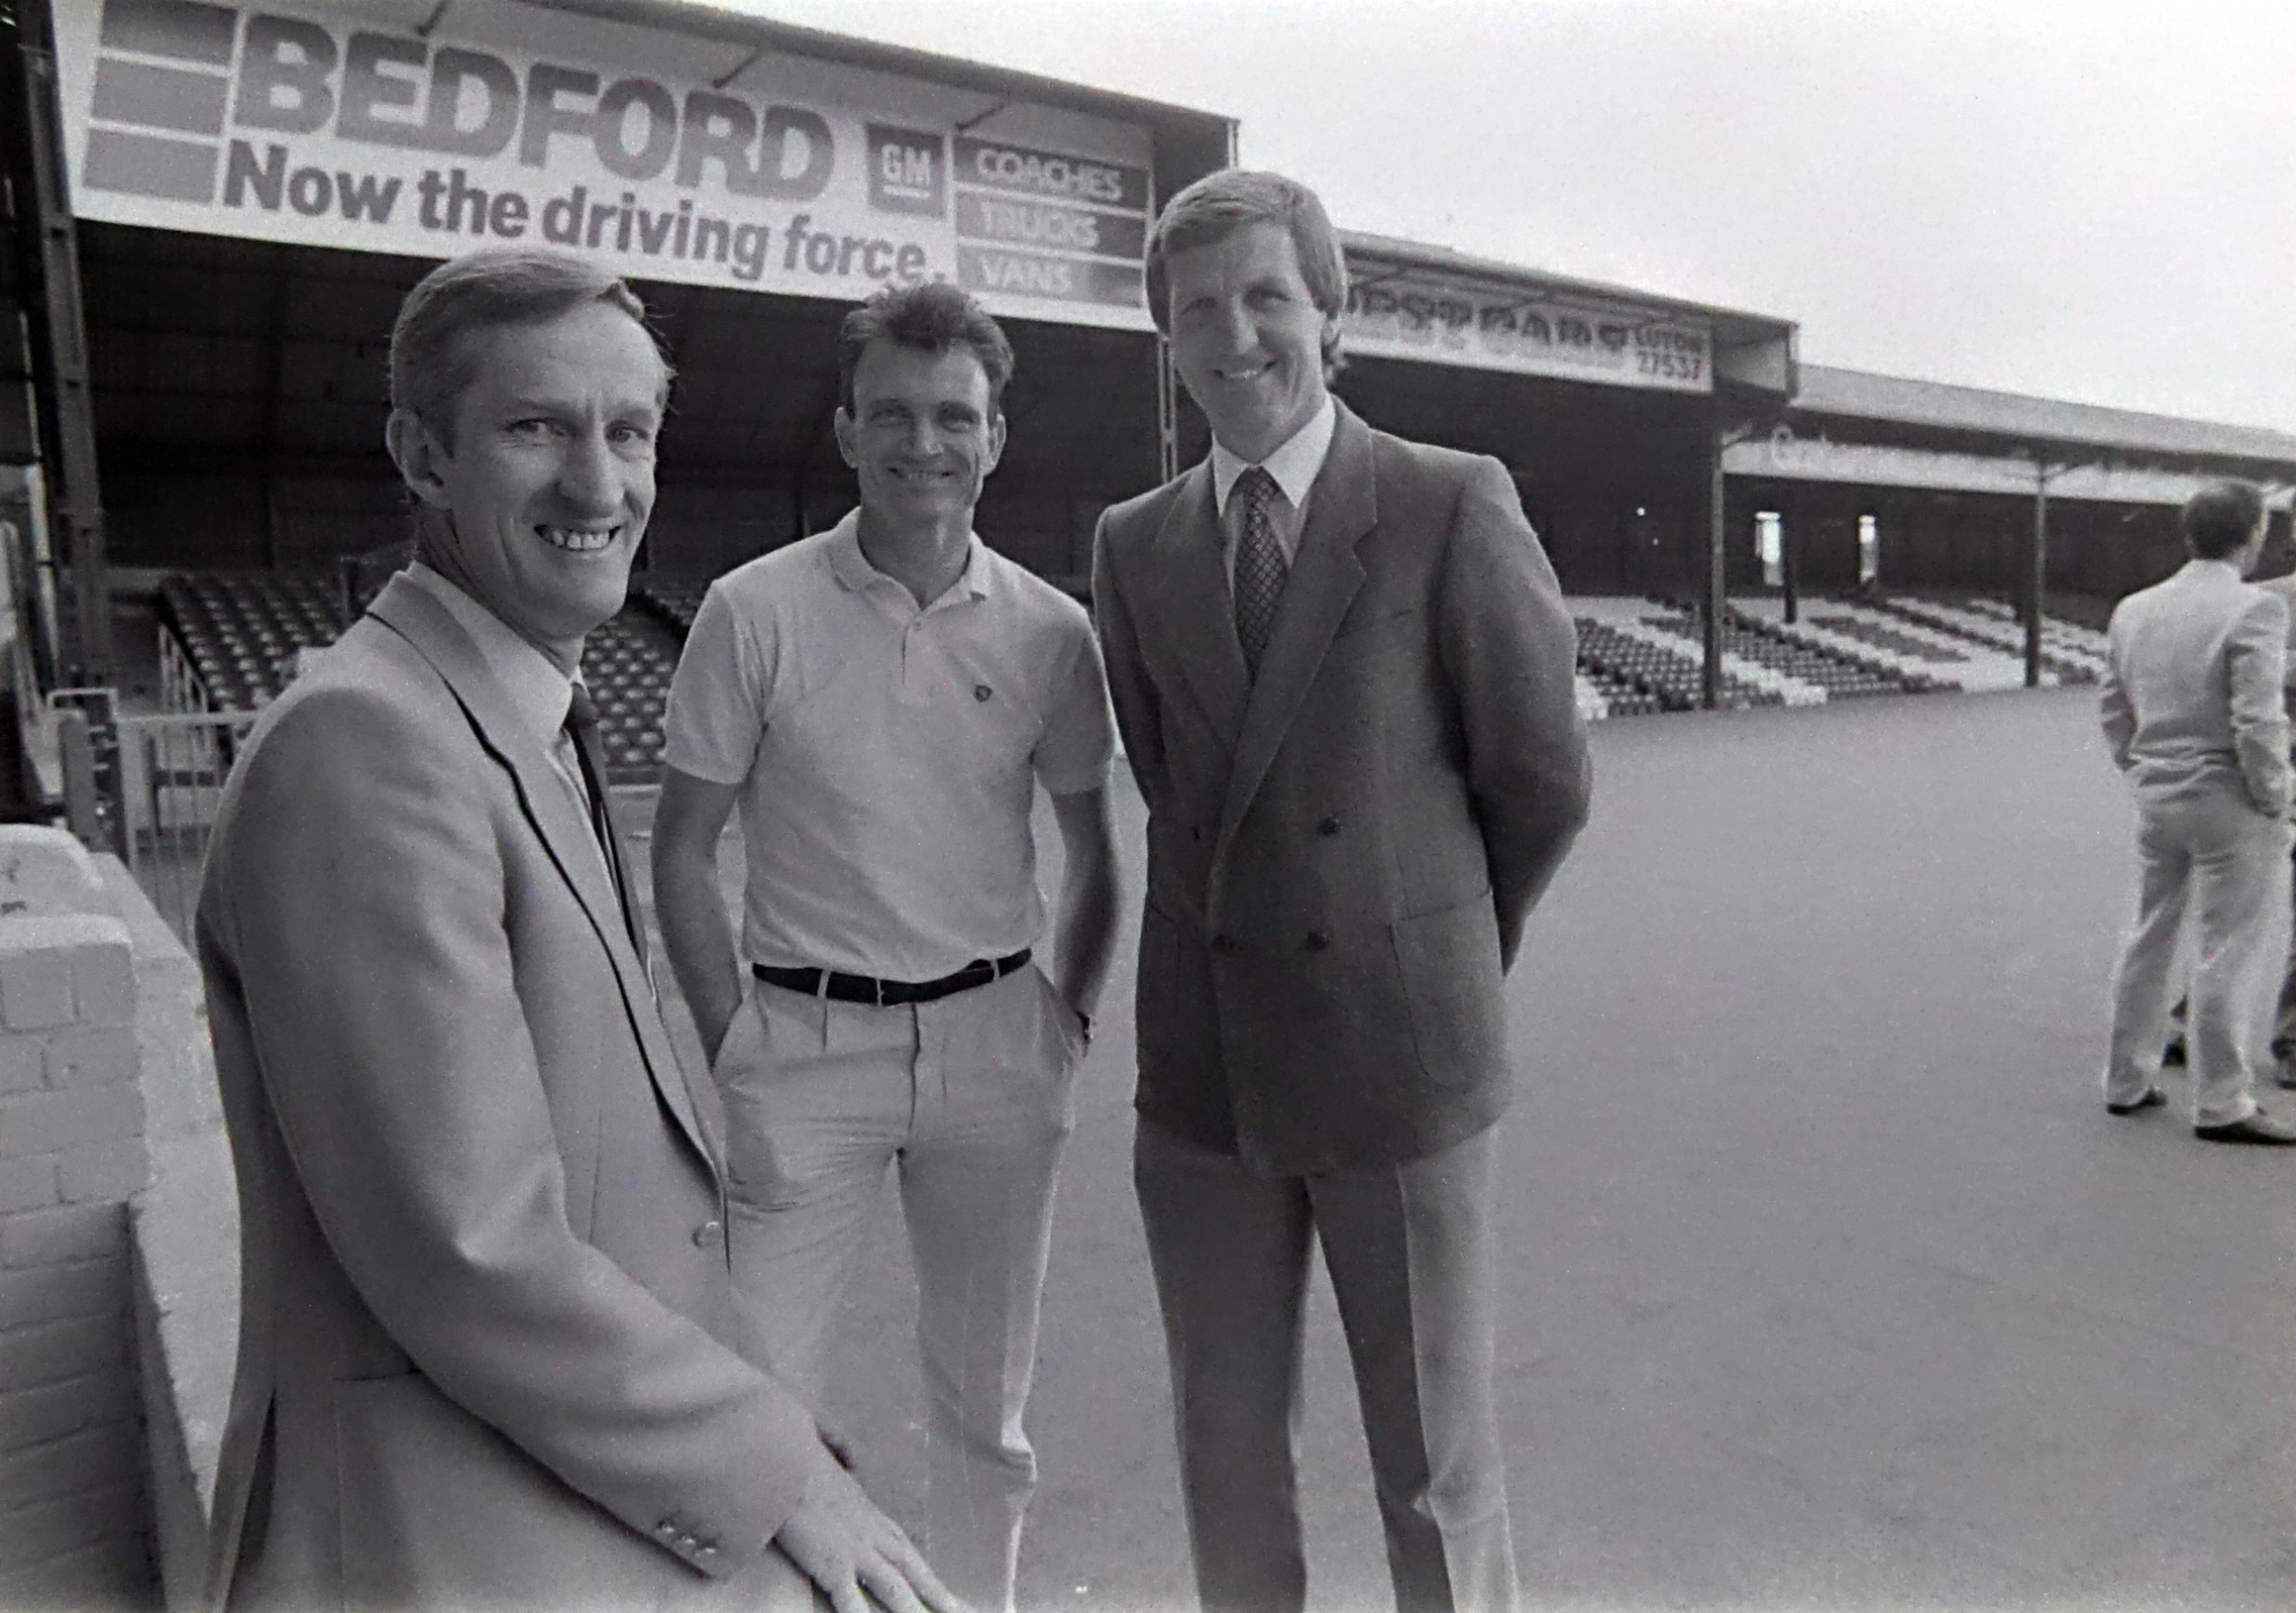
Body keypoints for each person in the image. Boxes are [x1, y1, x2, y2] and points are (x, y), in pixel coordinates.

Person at [195, 247, 962, 1613]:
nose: (599, 485)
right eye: (537, 428)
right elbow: (472, 1251)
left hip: (550, 1462)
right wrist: (777, 1471)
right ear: (422, 456)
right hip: (444, 1533)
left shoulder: (509, 714)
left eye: (629, 432)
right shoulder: (366, 746)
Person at [1092, 169, 1594, 1613]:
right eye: (1196, 311)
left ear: (1330, 312)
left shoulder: (1446, 501)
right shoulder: (1133, 542)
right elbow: (1173, 788)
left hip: (1399, 1060)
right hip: (1205, 1068)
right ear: (1167, 342)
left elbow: (1539, 781)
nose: (1233, 335)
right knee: (1226, 1454)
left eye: (1265, 296)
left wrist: (1432, 945)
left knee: (1434, 1466)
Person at [652, 280, 1120, 1613]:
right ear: (848, 429)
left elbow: (1095, 854)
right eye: (895, 414)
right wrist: (735, 1041)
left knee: (987, 1416)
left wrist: (1064, 1023)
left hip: (995, 1051)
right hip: (803, 1052)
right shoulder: (752, 610)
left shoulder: (1050, 631)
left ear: (994, 436)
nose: (927, 441)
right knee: (753, 1417)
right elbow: (681, 849)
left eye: (955, 416)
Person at [2099, 478, 2296, 1142]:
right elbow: (2258, 720)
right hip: (2228, 800)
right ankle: (2221, 1102)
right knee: (2225, 950)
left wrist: (2142, 769)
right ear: (2253, 536)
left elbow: (2113, 709)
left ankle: (2125, 1078)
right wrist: (2276, 796)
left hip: (2157, 795)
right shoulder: (2255, 610)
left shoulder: (2134, 609)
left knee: (2148, 935)